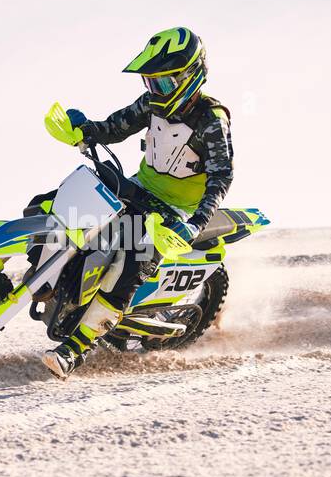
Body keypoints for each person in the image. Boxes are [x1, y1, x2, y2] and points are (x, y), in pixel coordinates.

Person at [38, 27, 234, 379]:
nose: (154, 92)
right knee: (54, 205)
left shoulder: (211, 120)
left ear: (189, 77)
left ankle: (76, 348)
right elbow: (116, 127)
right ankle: (50, 282)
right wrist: (85, 130)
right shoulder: (152, 104)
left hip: (175, 211)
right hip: (138, 187)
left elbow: (222, 177)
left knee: (129, 259)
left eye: (163, 84)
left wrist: (194, 222)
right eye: (149, 83)